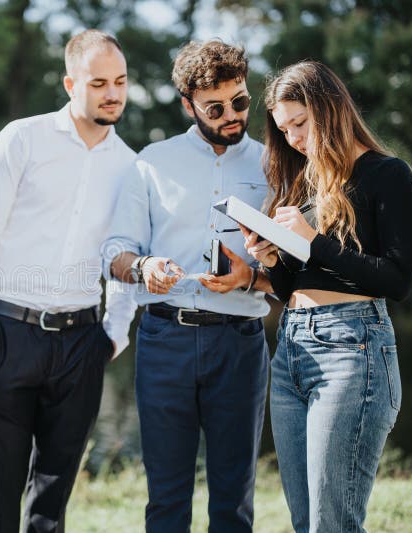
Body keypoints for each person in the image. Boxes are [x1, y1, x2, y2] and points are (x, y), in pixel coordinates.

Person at [0, 29, 136, 532]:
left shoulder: (131, 167)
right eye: (99, 82)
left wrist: (115, 333)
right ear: (69, 83)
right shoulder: (22, 138)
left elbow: (125, 256)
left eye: (120, 82)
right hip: (8, 334)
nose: (112, 93)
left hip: (84, 342)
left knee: (51, 506)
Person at [244, 60, 412, 533]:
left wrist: (311, 242)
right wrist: (271, 261)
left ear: (329, 110)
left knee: (332, 525)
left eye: (299, 124)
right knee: (306, 522)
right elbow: (294, 288)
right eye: (283, 130)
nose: (293, 139)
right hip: (291, 350)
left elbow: (397, 281)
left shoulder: (388, 175)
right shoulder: (306, 185)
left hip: (353, 350)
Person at [103, 40, 272, 532]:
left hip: (240, 344)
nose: (231, 116)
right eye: (215, 108)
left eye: (240, 102)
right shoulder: (152, 161)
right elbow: (114, 251)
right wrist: (144, 266)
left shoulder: (272, 165)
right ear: (188, 105)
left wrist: (251, 276)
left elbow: (294, 269)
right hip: (165, 340)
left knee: (233, 501)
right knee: (167, 500)